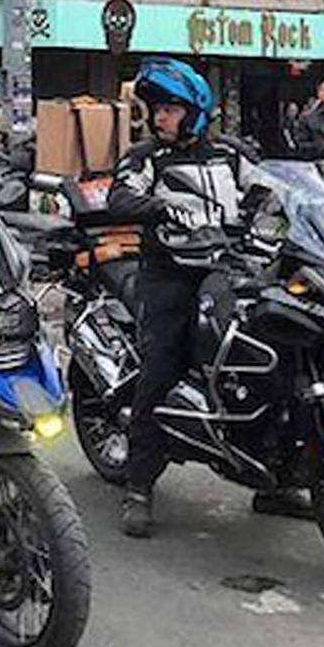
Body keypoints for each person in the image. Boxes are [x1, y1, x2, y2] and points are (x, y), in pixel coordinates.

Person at [106, 57, 262, 539]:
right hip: (170, 276)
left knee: (264, 354)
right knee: (161, 367)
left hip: (229, 272)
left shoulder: (231, 156)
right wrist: (160, 205)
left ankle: (276, 479)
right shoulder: (146, 158)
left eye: (169, 109)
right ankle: (139, 487)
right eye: (156, 110)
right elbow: (120, 197)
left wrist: (271, 213)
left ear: (194, 110)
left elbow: (273, 191)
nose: (159, 118)